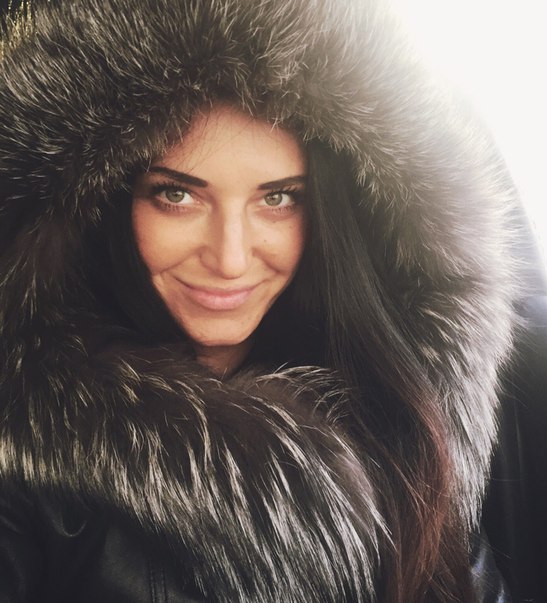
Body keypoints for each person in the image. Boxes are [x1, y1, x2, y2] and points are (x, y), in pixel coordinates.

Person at [0, 0, 518, 601]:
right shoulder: (28, 460)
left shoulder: (403, 406)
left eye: (278, 199)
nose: (230, 258)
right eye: (176, 195)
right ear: (100, 206)